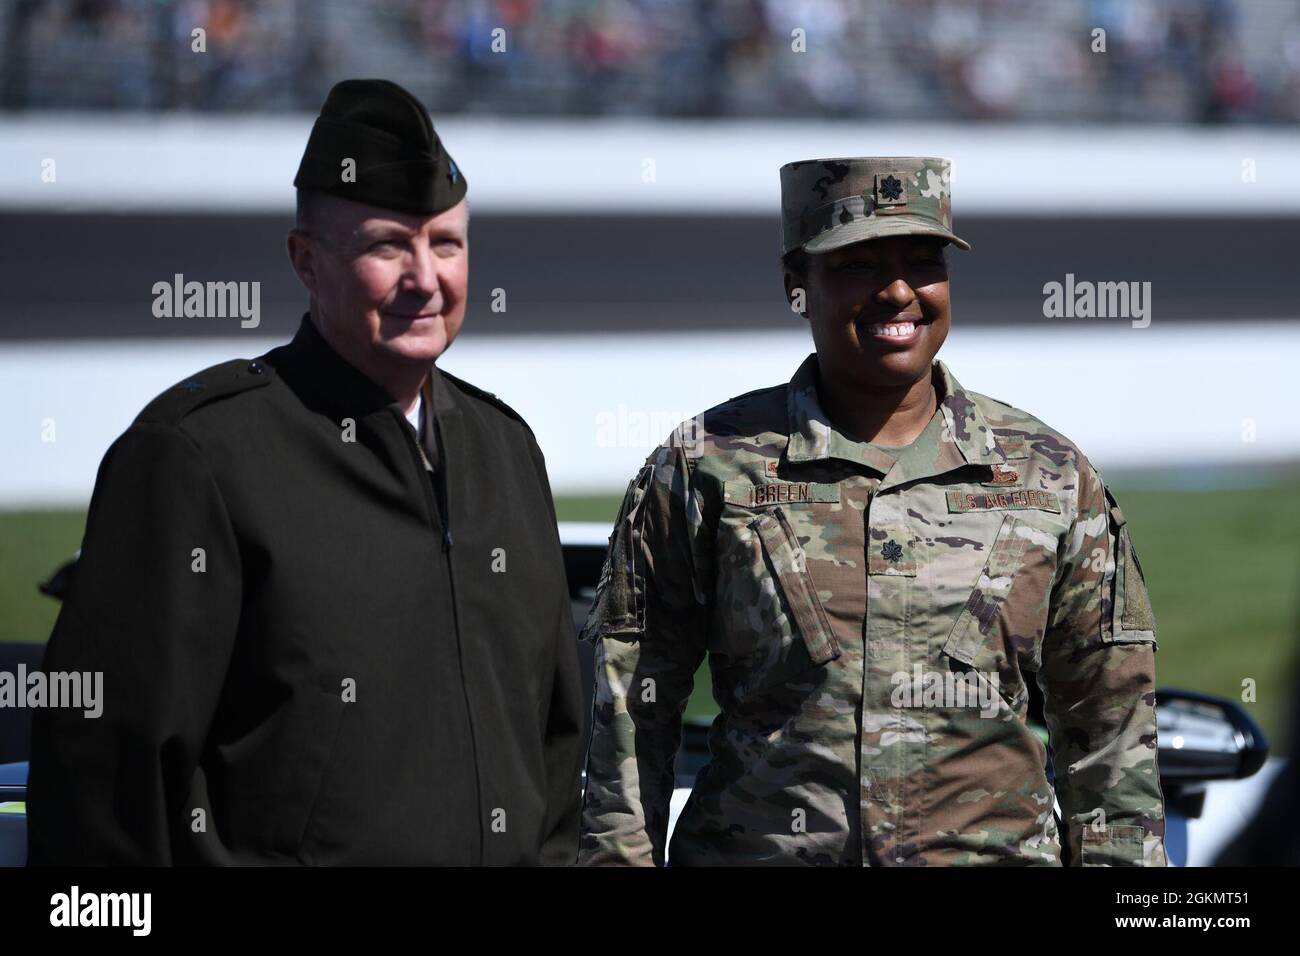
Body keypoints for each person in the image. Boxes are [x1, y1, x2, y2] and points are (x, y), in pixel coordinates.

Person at [28, 79, 584, 866]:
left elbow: (554, 755)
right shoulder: (198, 456)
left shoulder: (507, 452)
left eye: (447, 243)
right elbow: (104, 790)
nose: (425, 278)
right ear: (306, 261)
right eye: (388, 244)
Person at [578, 156, 1166, 866]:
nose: (897, 292)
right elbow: (630, 711)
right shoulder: (706, 466)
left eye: (922, 263)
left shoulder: (1050, 476)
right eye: (858, 266)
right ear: (797, 285)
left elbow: (1110, 732)